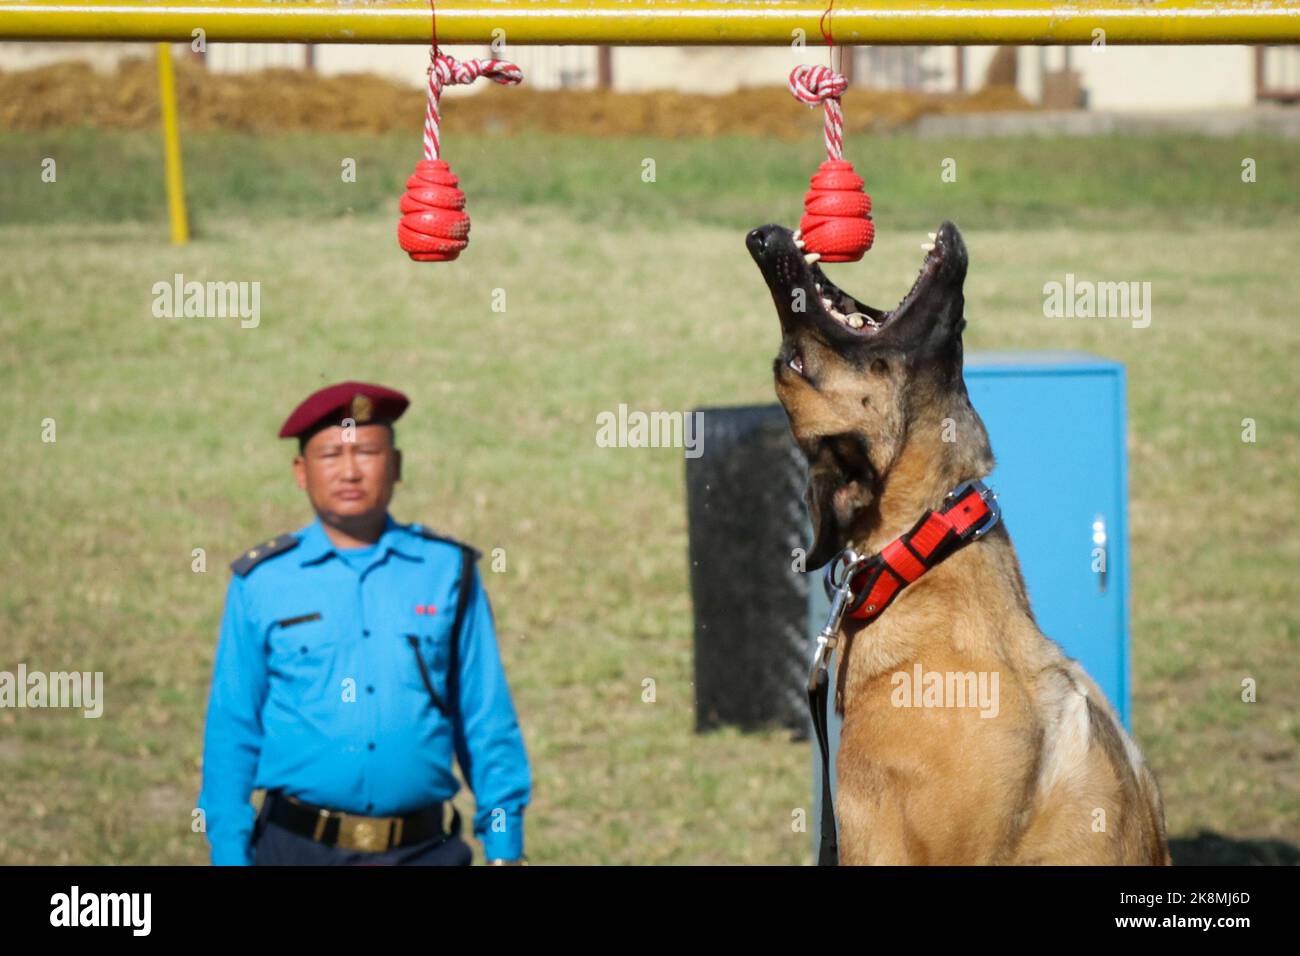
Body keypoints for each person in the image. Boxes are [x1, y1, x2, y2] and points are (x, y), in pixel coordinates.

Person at [197, 381, 530, 865]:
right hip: (294, 852)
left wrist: (505, 849)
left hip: (423, 852)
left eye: (367, 453)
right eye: (331, 455)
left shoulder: (446, 571)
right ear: (301, 472)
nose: (350, 471)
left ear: (396, 466)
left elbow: (485, 719)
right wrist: (229, 853)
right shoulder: (263, 582)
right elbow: (232, 728)